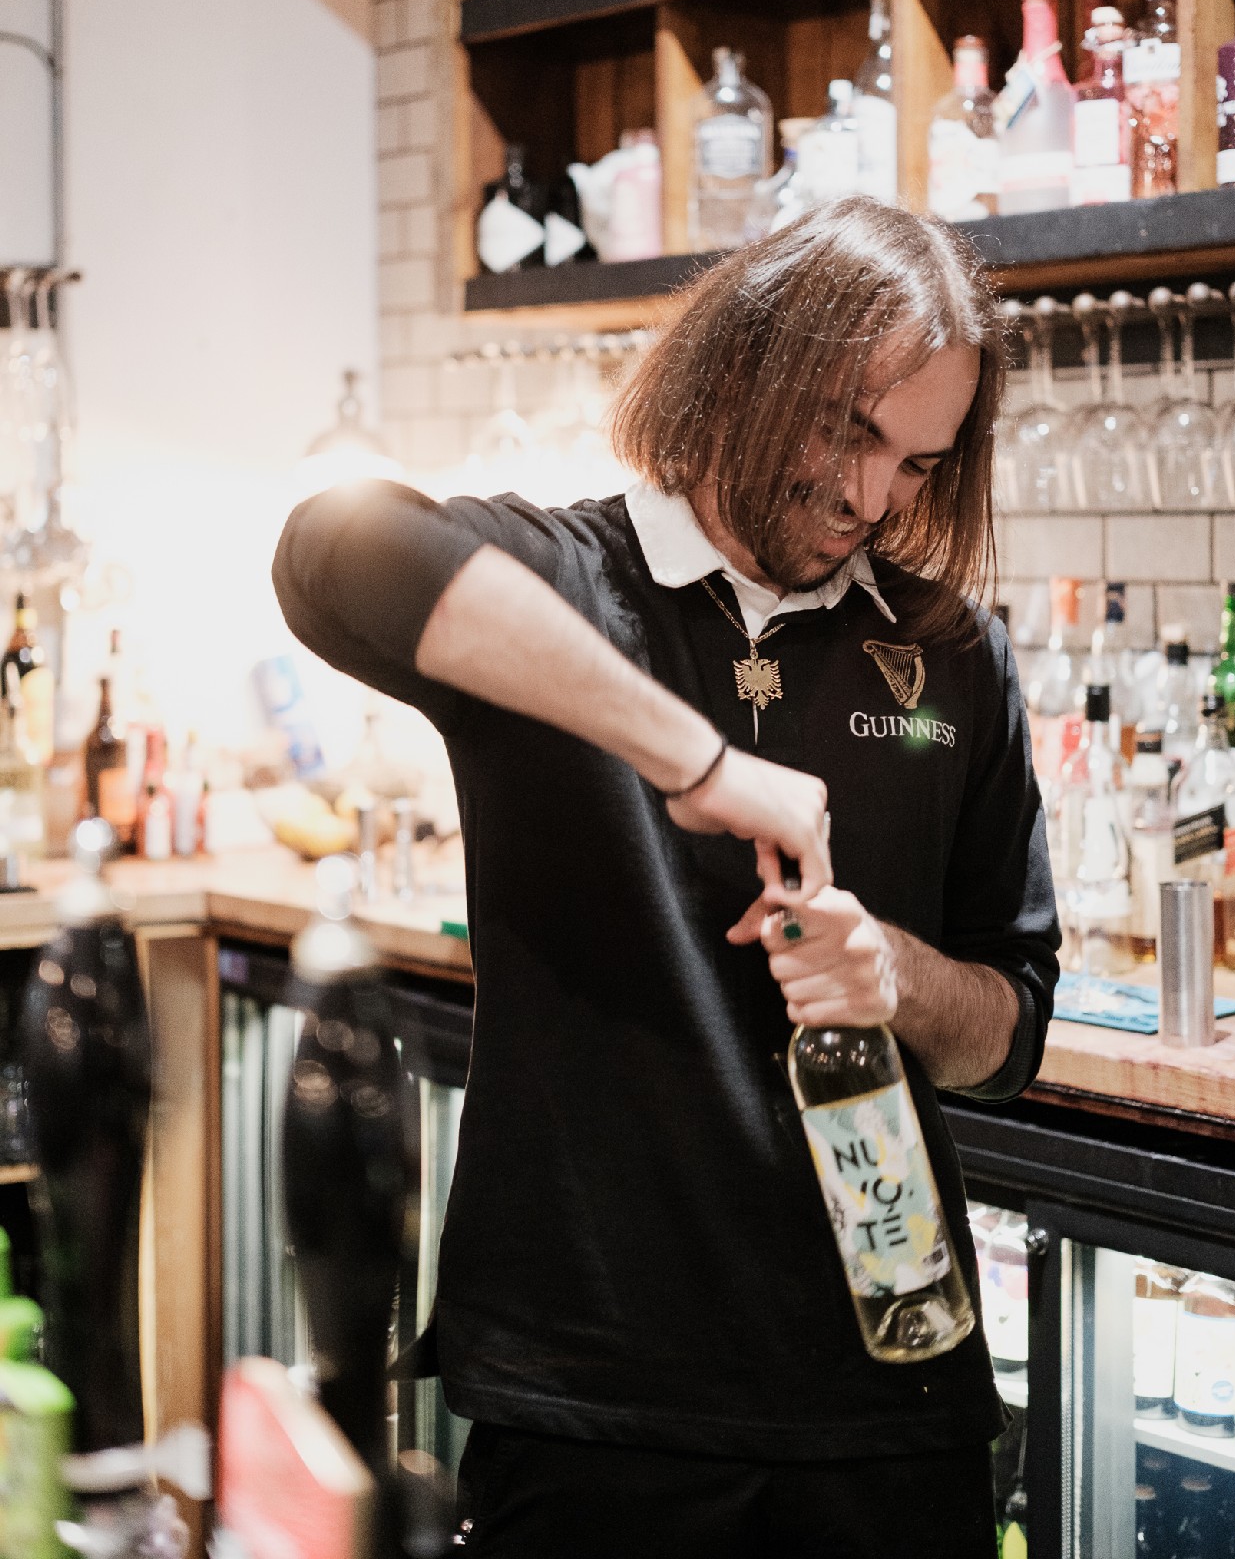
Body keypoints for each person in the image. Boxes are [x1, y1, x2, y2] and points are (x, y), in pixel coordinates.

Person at [272, 197, 1059, 1559]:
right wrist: (690, 756)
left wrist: (898, 978)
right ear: (743, 367)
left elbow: (1012, 1031)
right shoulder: (560, 590)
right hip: (596, 1402)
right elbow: (331, 554)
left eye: (920, 464)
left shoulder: (952, 659)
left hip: (888, 1401)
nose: (871, 500)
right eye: (849, 431)